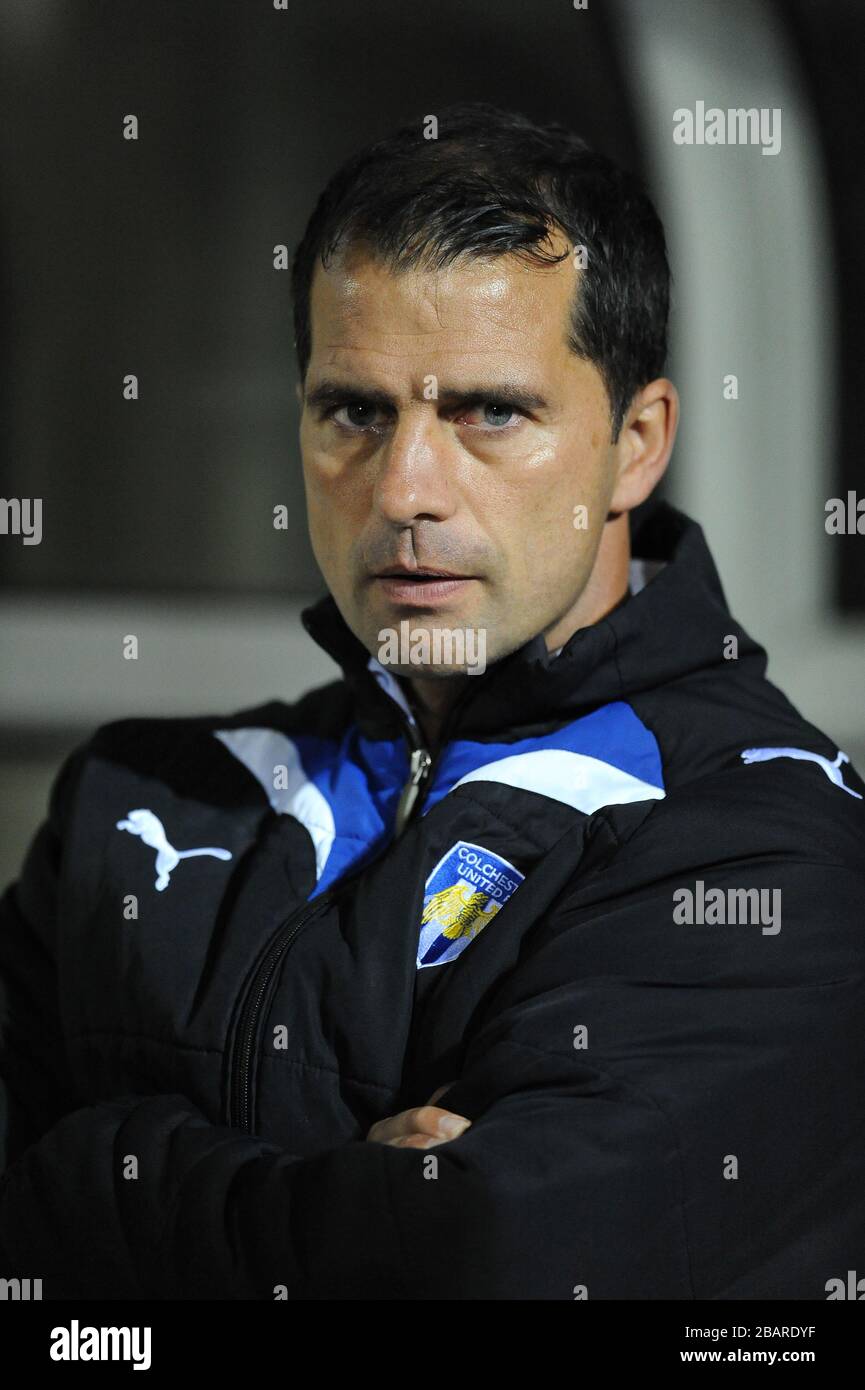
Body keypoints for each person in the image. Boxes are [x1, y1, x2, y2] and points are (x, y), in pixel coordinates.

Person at [1, 102, 862, 1300]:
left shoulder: (767, 840)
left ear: (637, 443)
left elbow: (484, 1263)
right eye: (354, 411)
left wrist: (97, 1170)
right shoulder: (138, 803)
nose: (406, 486)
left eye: (489, 412)